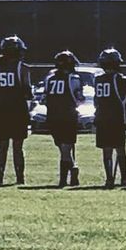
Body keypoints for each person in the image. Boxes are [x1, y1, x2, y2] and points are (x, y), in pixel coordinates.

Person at [0, 35, 32, 186]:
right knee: (17, 147)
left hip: (2, 111)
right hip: (18, 111)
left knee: (2, 146)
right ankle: (20, 178)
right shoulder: (23, 68)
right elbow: (28, 92)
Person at [42, 50, 85, 187]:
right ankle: (71, 171)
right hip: (68, 116)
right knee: (67, 147)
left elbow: (44, 99)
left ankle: (67, 175)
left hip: (53, 116)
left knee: (63, 147)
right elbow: (79, 99)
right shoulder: (74, 79)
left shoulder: (49, 78)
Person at [94, 48, 126, 188]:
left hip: (101, 117)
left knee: (107, 150)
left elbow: (96, 100)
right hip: (116, 118)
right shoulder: (120, 79)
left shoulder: (98, 79)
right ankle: (124, 178)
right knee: (120, 148)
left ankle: (109, 178)